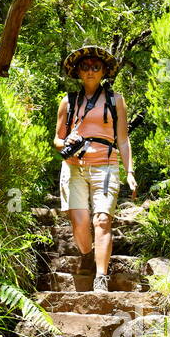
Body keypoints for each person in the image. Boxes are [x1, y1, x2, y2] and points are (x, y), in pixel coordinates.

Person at [53, 45, 136, 293]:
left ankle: (101, 276)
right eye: (85, 66)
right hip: (73, 168)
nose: (90, 71)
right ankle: (87, 255)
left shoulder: (115, 101)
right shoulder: (68, 102)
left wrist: (129, 172)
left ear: (103, 71)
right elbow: (57, 140)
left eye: (95, 67)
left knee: (102, 220)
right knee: (79, 222)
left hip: (106, 167)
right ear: (78, 71)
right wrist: (66, 143)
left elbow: (123, 140)